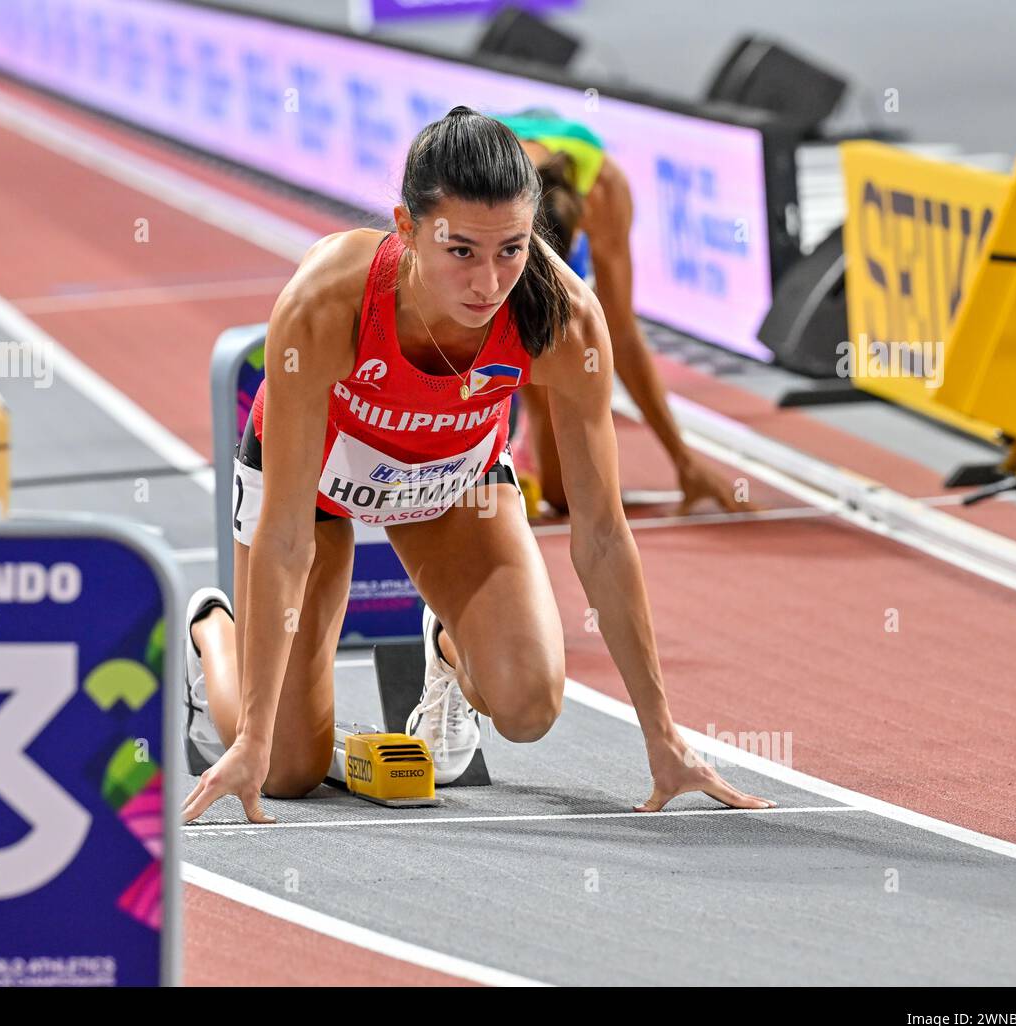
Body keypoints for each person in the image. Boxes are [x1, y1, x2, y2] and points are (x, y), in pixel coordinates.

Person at [180, 106, 775, 824]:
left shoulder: (562, 319)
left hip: (451, 481)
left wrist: (663, 733)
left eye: (511, 250)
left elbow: (602, 533)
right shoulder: (324, 303)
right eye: (460, 250)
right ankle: (211, 629)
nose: (488, 284)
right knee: (286, 767)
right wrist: (248, 737)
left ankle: (449, 647)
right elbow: (284, 537)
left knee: (527, 704)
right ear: (406, 227)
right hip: (318, 489)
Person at [492, 109, 749, 517]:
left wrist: (682, 457)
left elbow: (623, 335)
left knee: (563, 497)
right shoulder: (478, 194)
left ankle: (523, 441)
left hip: (545, 205)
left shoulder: (605, 191)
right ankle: (511, 436)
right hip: (490, 227)